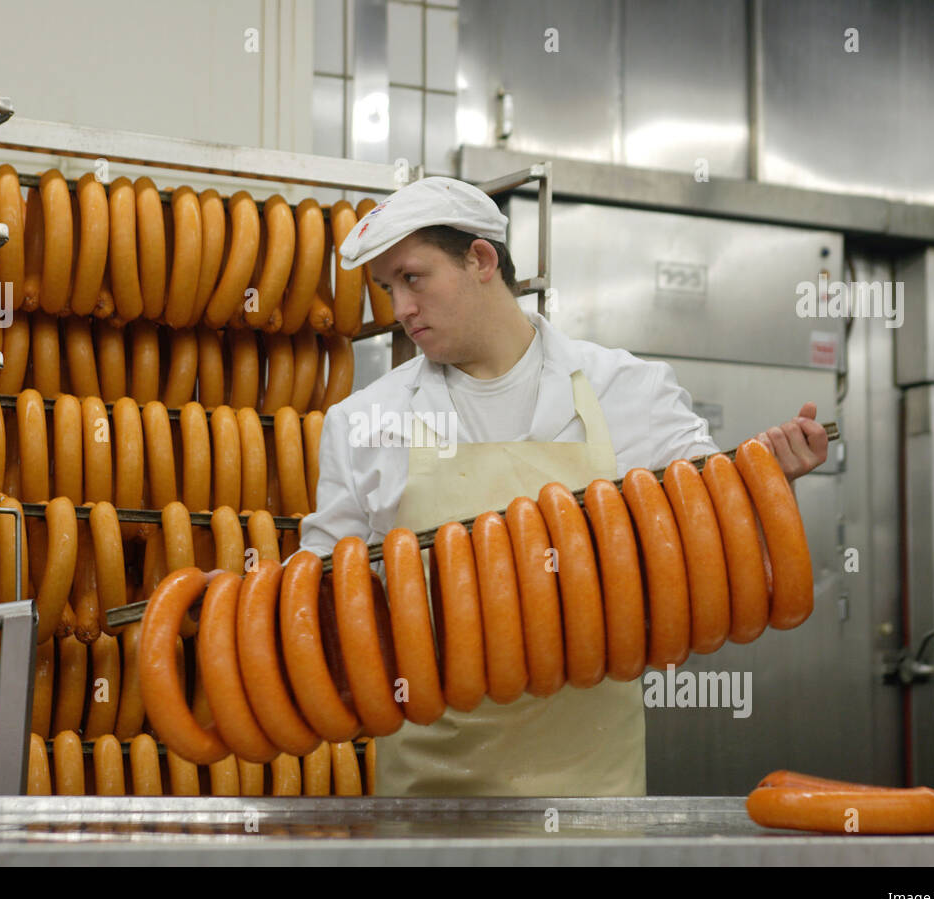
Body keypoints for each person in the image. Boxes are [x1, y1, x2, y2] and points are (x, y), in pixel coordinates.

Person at [295, 176, 828, 797]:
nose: (400, 309)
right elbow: (325, 588)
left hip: (593, 786)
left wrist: (771, 479)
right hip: (431, 786)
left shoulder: (626, 388)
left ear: (481, 260)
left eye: (413, 278)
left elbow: (714, 536)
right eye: (387, 289)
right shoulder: (362, 421)